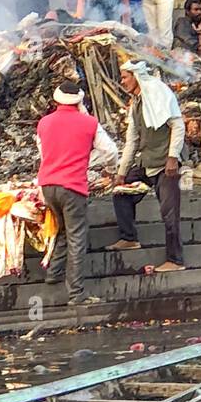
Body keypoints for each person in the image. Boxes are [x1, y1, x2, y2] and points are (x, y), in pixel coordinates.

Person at [37, 80, 117, 305]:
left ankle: (53, 273)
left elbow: (44, 154)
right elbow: (110, 151)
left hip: (48, 186)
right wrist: (110, 170)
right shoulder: (89, 123)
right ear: (80, 101)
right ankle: (76, 294)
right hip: (72, 187)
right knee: (77, 237)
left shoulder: (44, 123)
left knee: (63, 230)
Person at [108, 60, 184, 273]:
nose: (122, 81)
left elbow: (177, 125)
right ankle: (129, 237)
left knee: (170, 214)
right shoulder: (136, 103)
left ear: (135, 76)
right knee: (121, 193)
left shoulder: (158, 93)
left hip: (165, 164)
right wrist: (121, 173)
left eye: (125, 77)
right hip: (146, 161)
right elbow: (132, 139)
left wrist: (172, 157)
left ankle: (175, 260)